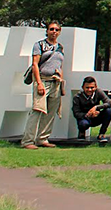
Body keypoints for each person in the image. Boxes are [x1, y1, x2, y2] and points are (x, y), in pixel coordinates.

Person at [21, 22, 66, 150]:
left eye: (56, 29)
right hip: (43, 80)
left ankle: (42, 139)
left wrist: (61, 80)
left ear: (59, 32)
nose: (54, 32)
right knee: (37, 110)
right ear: (47, 31)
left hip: (55, 82)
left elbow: (60, 65)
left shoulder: (60, 47)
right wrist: (39, 83)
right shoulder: (39, 45)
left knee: (51, 113)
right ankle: (28, 141)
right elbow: (35, 64)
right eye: (51, 29)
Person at [72, 76, 111, 143]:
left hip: (97, 117)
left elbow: (110, 103)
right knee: (83, 124)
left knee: (108, 111)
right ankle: (82, 133)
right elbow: (76, 113)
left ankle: (101, 134)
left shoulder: (98, 92)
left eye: (92, 87)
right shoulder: (77, 97)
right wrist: (88, 114)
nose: (90, 90)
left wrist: (96, 107)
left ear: (96, 87)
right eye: (87, 87)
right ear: (83, 87)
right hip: (85, 118)